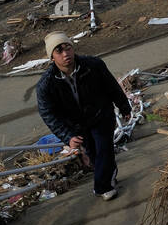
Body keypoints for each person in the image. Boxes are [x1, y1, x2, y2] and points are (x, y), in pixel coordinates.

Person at [36, 33, 131, 201]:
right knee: (94, 155)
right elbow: (49, 114)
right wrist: (68, 136)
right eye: (59, 51)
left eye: (68, 48)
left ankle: (103, 187)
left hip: (101, 114)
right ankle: (110, 172)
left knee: (103, 148)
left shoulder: (93, 66)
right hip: (77, 125)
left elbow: (111, 87)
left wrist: (124, 107)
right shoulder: (46, 85)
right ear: (52, 57)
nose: (65, 54)